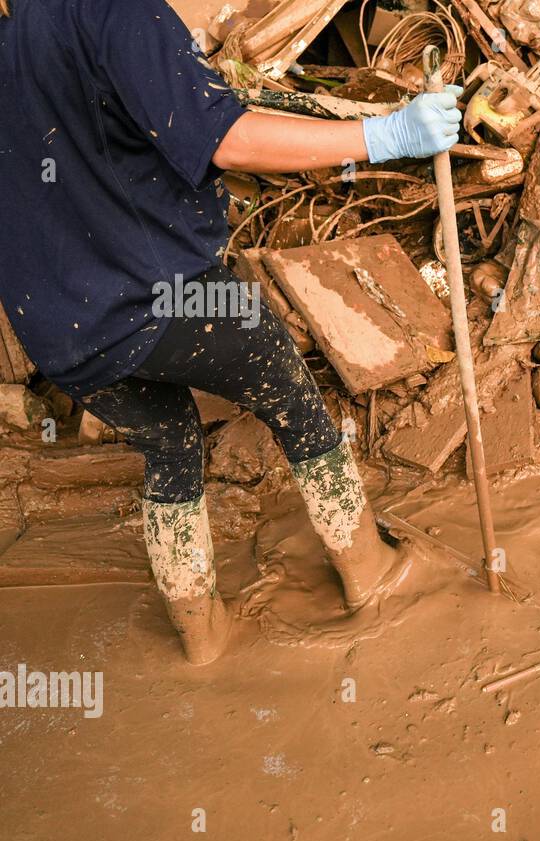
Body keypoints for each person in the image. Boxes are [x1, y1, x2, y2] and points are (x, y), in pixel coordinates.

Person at [0, 0, 463, 664]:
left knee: (170, 443)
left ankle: (202, 637)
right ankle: (371, 574)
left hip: (58, 326)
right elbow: (228, 139)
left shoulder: (15, 32)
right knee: (288, 390)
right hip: (149, 292)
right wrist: (382, 136)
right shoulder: (115, 12)